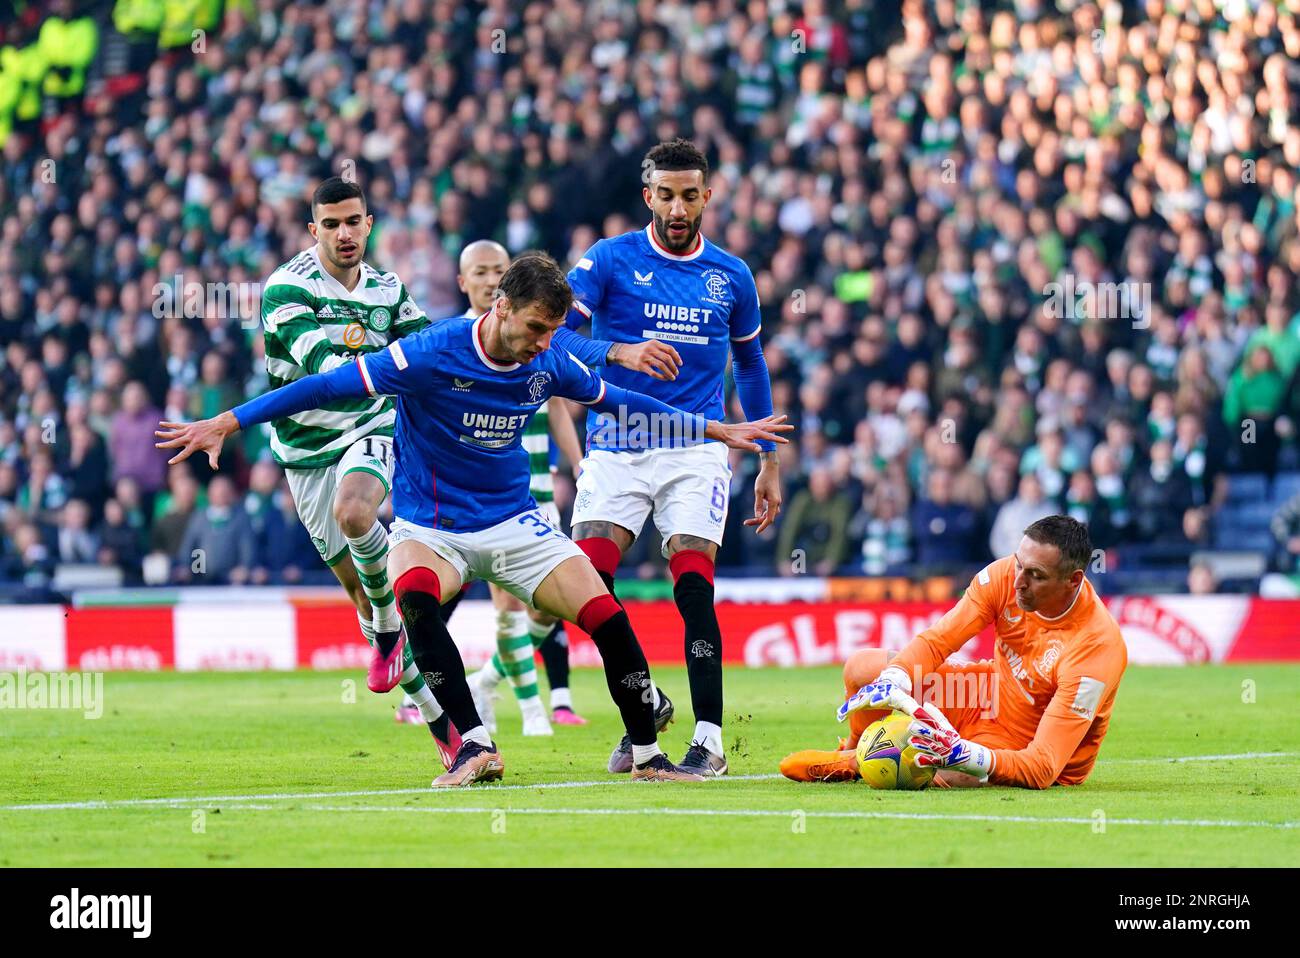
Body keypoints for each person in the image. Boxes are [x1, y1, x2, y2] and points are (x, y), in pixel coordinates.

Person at [157, 252, 791, 786]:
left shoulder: (547, 359)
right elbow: (326, 387)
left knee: (603, 610)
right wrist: (229, 420)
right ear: (502, 307)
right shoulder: (430, 354)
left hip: (515, 522)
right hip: (432, 524)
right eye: (539, 328)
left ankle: (646, 751)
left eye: (554, 332)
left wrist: (713, 427)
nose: (547, 343)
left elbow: (618, 398)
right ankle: (474, 745)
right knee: (413, 596)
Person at [565, 138, 783, 777]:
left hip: (697, 449)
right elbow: (556, 339)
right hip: (617, 444)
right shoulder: (609, 260)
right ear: (648, 197)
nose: (678, 207)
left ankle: (709, 742)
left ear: (707, 196)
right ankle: (648, 709)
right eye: (666, 194)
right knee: (585, 587)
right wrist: (618, 352)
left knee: (692, 589)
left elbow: (751, 363)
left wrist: (767, 459)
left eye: (690, 195)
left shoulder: (732, 276)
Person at [253, 175, 456, 766]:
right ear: (314, 230)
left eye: (355, 222)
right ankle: (444, 726)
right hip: (304, 451)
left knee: (355, 510)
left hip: (371, 427)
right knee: (365, 604)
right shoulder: (285, 287)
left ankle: (392, 631)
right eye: (332, 224)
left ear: (369, 224)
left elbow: (426, 345)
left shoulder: (389, 289)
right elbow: (323, 366)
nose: (345, 233)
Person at [780, 516, 1128, 789]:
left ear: (1073, 579)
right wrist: (895, 677)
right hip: (984, 694)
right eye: (1019, 564)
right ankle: (856, 747)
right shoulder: (1005, 575)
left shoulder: (1096, 648)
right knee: (861, 668)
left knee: (956, 773)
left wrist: (967, 755)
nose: (1019, 580)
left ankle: (861, 765)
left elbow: (1043, 765)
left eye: (1035, 575)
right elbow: (938, 641)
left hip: (1024, 743)